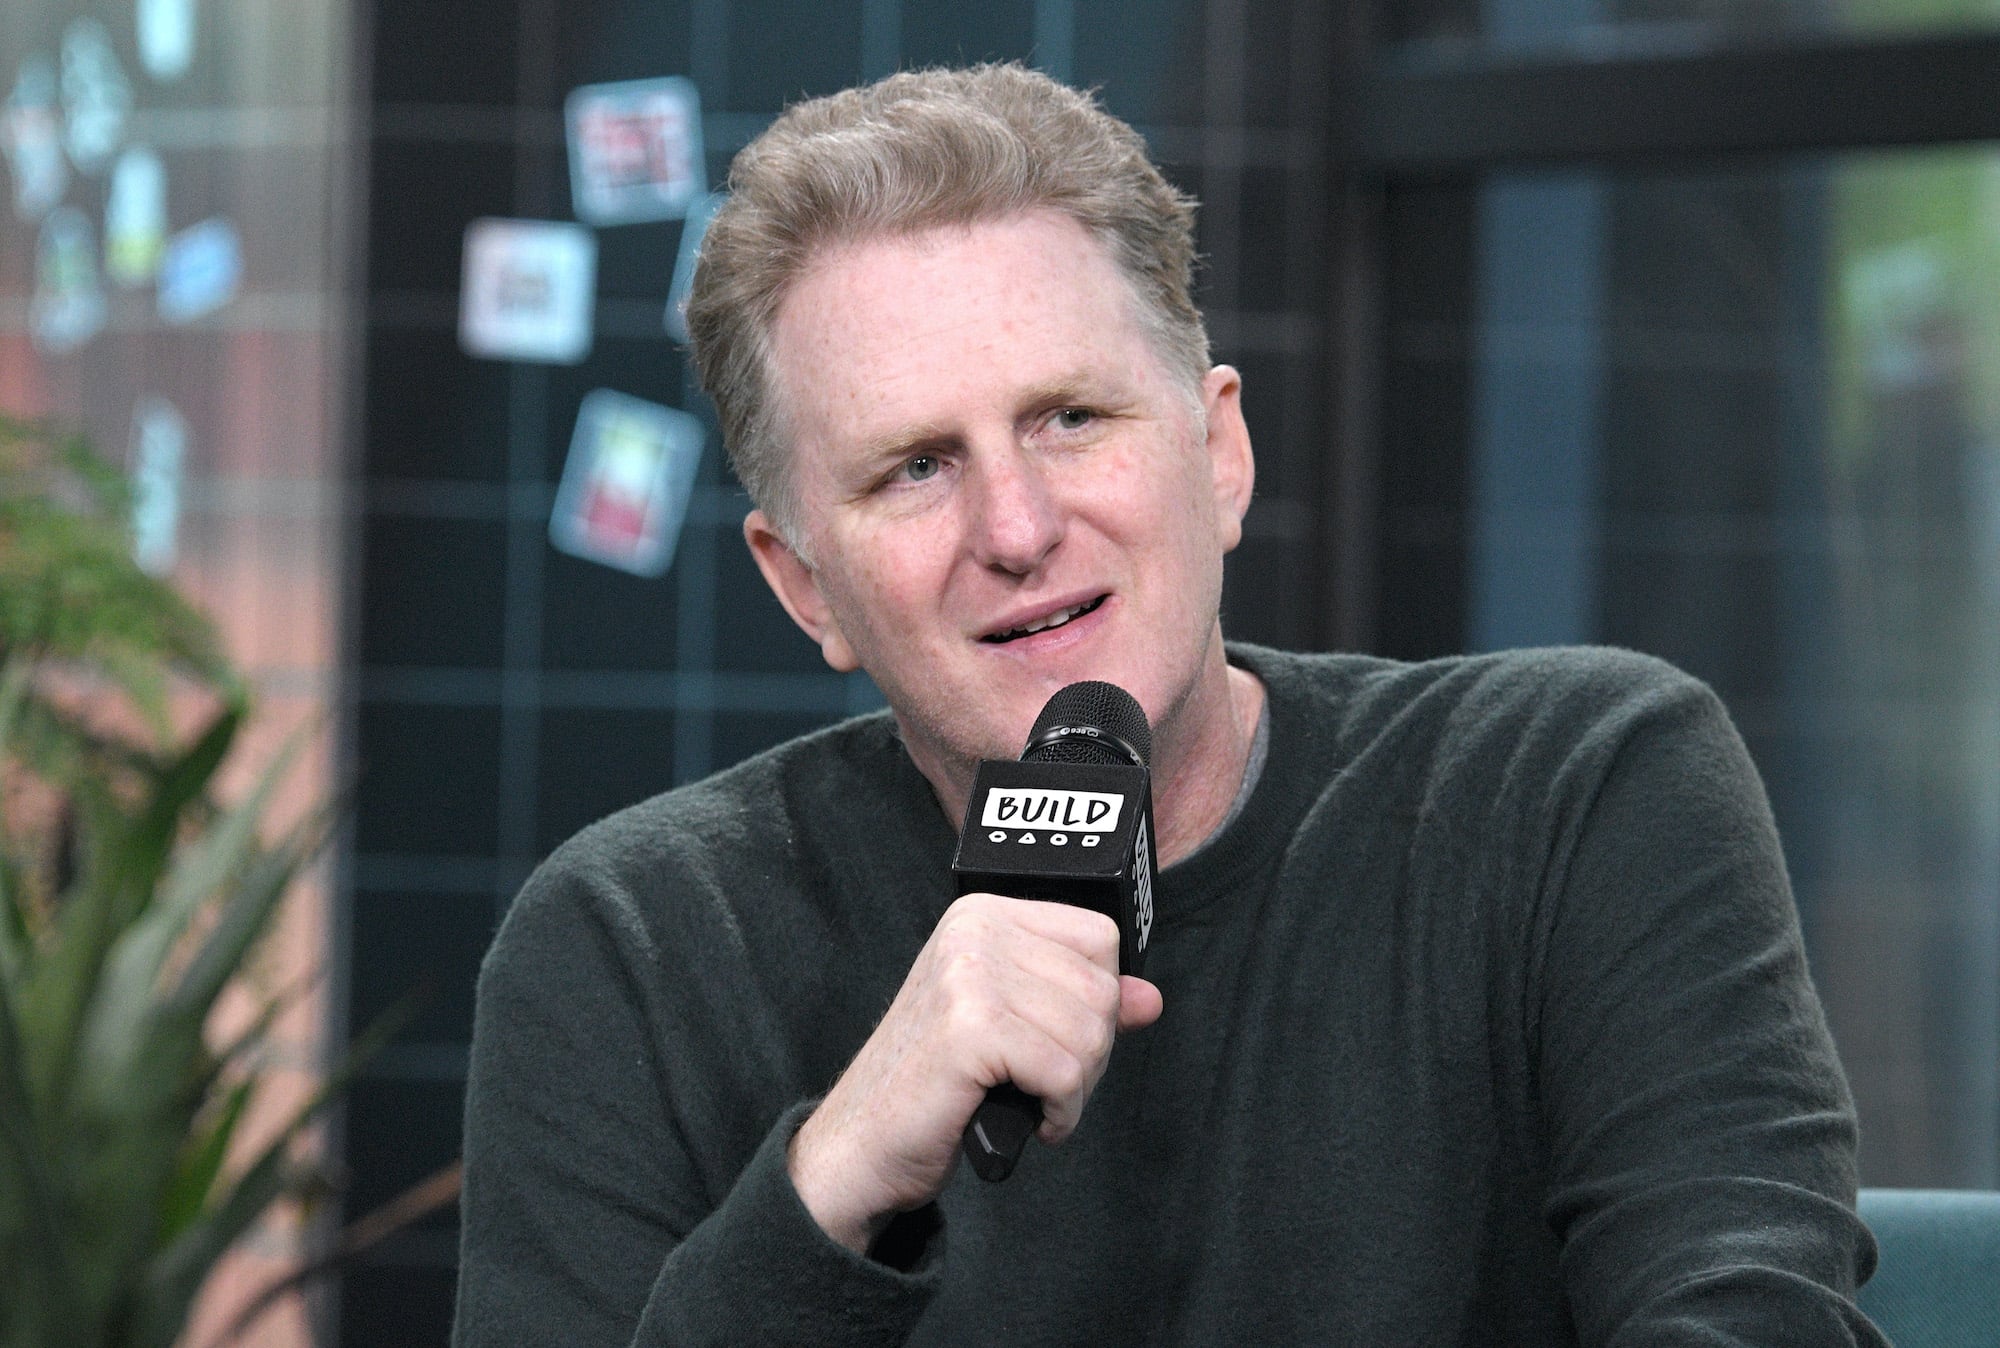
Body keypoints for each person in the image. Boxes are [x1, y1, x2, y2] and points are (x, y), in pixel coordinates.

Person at [453, 64, 1885, 1346]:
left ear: (1221, 453)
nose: (1018, 527)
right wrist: (838, 1178)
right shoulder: (630, 946)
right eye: (915, 469)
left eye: (1072, 419)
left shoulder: (1579, 792)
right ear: (804, 585)